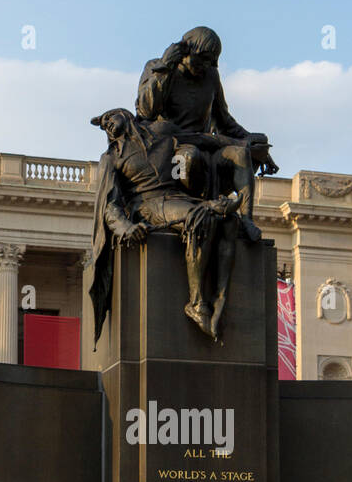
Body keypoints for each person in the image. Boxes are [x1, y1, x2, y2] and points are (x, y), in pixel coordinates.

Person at [89, 107, 240, 342]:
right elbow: (110, 205)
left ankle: (220, 298)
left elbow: (203, 139)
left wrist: (242, 143)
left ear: (125, 115)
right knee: (200, 217)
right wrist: (126, 227)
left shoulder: (162, 132)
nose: (107, 125)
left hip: (178, 198)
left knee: (230, 221)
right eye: (103, 125)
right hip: (148, 204)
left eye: (109, 118)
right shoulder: (111, 158)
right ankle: (197, 303)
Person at [135, 26, 278, 242]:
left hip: (207, 148)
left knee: (242, 153)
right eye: (202, 59)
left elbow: (224, 120)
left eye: (211, 61)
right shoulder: (158, 67)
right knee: (188, 158)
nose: (207, 66)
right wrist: (165, 67)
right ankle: (197, 209)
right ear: (185, 51)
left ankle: (247, 220)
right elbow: (146, 112)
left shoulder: (210, 75)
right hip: (172, 153)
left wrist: (254, 143)